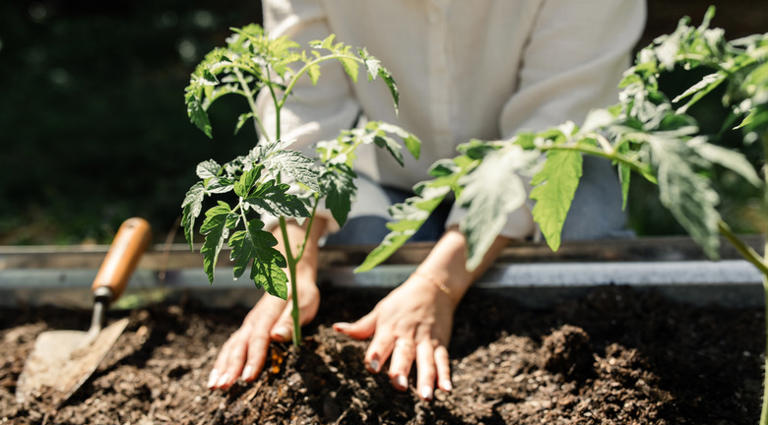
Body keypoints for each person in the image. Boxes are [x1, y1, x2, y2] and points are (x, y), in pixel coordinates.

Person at [206, 0, 646, 401]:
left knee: (581, 239)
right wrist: (293, 260)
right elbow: (305, 115)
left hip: (551, 163)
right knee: (365, 252)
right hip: (397, 175)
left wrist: (440, 285)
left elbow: (547, 136)